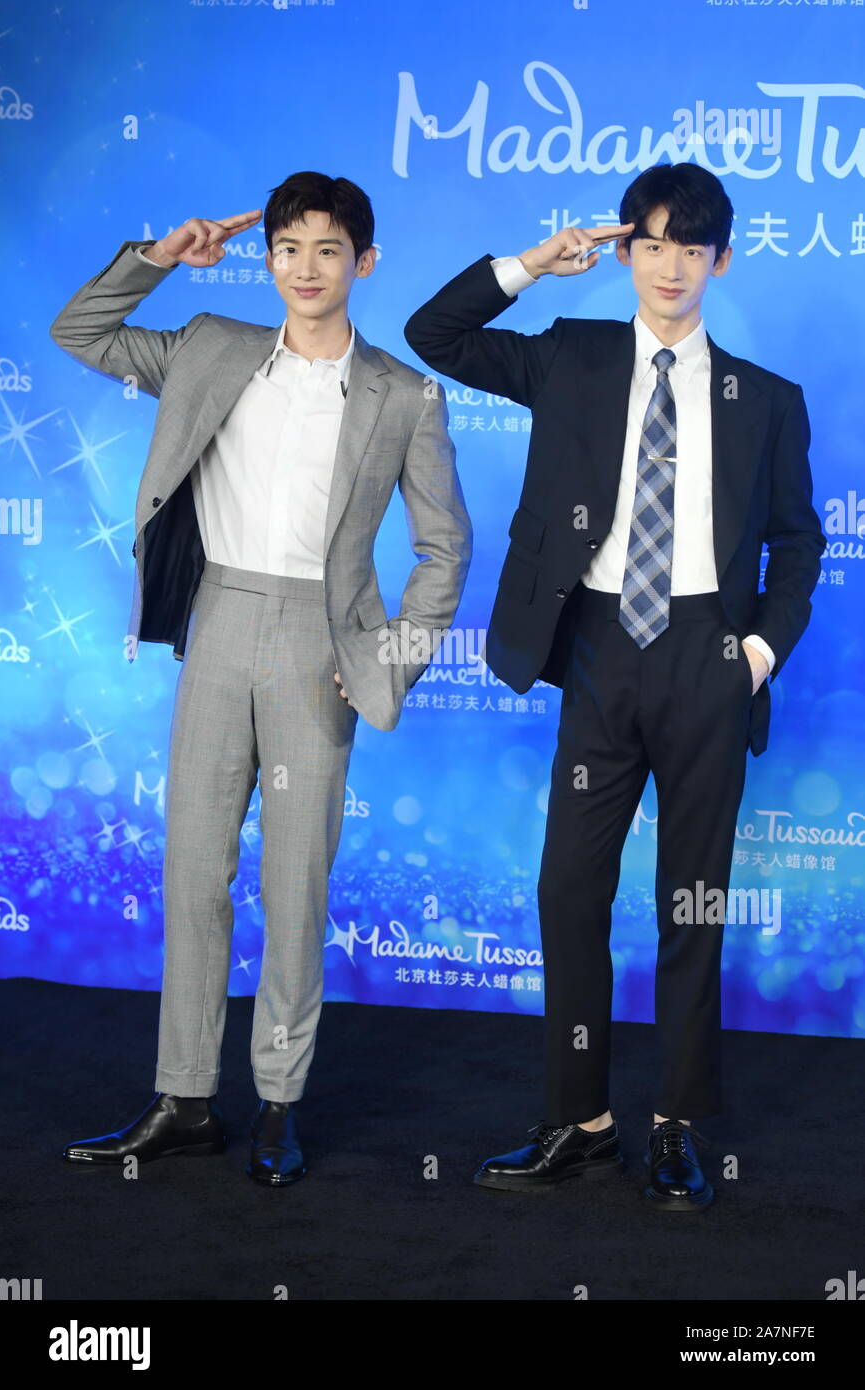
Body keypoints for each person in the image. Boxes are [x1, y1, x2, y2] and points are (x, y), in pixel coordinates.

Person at [404, 162, 825, 1211]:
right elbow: (433, 335)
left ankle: (675, 1125)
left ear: (718, 260)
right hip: (597, 649)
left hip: (703, 657)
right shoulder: (574, 356)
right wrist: (531, 265)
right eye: (652, 243)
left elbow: (796, 544)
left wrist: (756, 652)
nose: (671, 265)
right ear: (625, 251)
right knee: (567, 892)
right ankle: (580, 1120)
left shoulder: (765, 401)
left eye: (693, 247)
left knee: (690, 901)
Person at [51, 171, 471, 1186]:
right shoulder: (210, 346)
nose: (305, 267)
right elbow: (83, 330)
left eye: (328, 249)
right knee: (194, 873)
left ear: (362, 263)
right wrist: (162, 253)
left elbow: (444, 547)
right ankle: (184, 1097)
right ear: (267, 257)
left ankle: (278, 1102)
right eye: (288, 247)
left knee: (294, 887)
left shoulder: (404, 394)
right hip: (218, 621)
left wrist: (383, 659)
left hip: (318, 644)